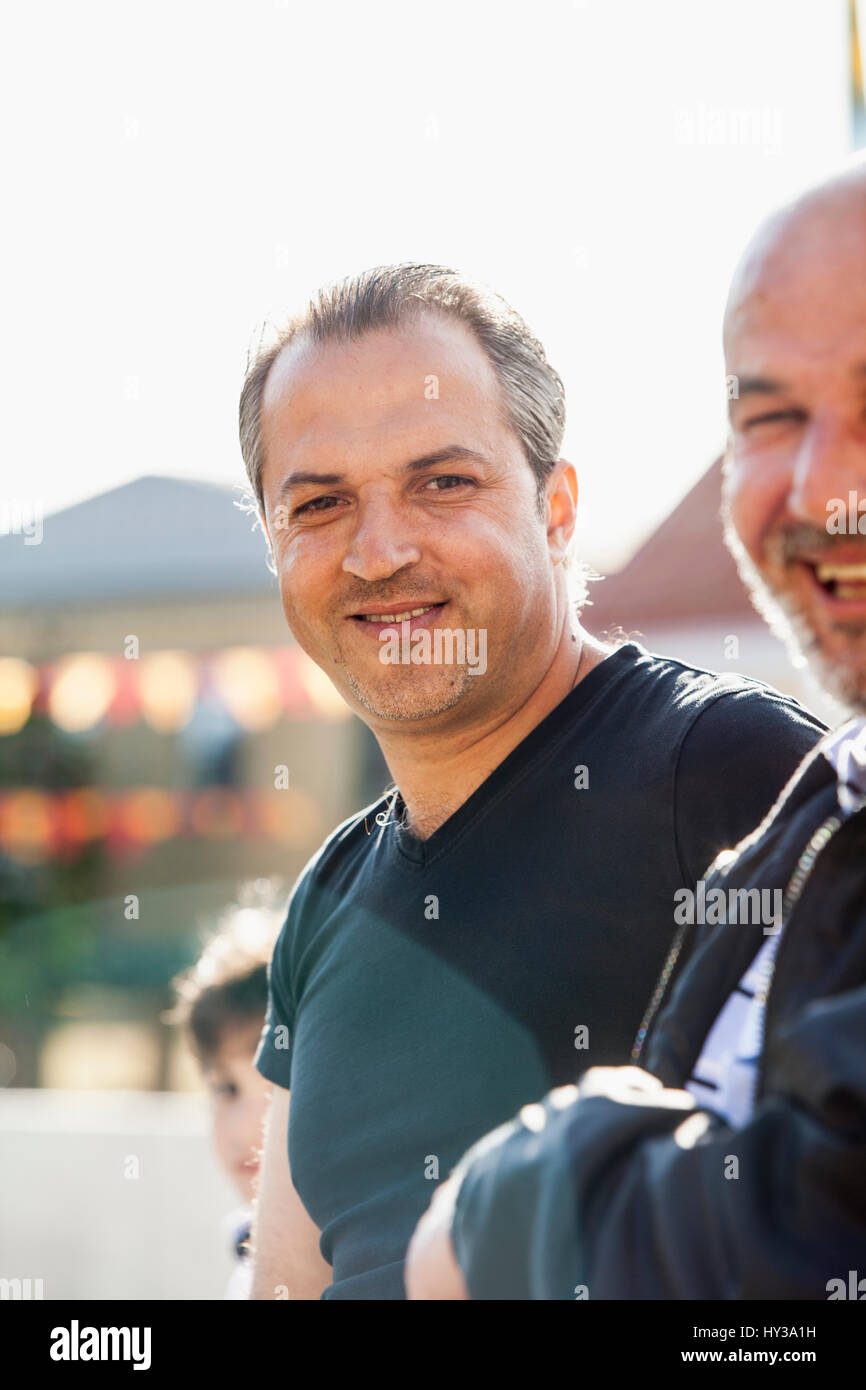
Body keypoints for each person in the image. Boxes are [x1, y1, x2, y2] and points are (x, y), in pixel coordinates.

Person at [243, 265, 825, 1300]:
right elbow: (285, 1286)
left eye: (442, 483)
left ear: (555, 508)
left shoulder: (738, 778)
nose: (379, 552)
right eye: (321, 503)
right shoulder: (328, 899)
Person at [405, 162, 866, 1300]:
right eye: (770, 417)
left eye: (444, 484)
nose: (819, 487)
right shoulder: (816, 804)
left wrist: (514, 1195)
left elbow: (817, 1238)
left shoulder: (721, 754)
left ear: (553, 509)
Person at [169, 881, 282, 1299]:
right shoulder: (248, 1251)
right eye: (226, 1088)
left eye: (277, 1092)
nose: (249, 1128)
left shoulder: (344, 1266)